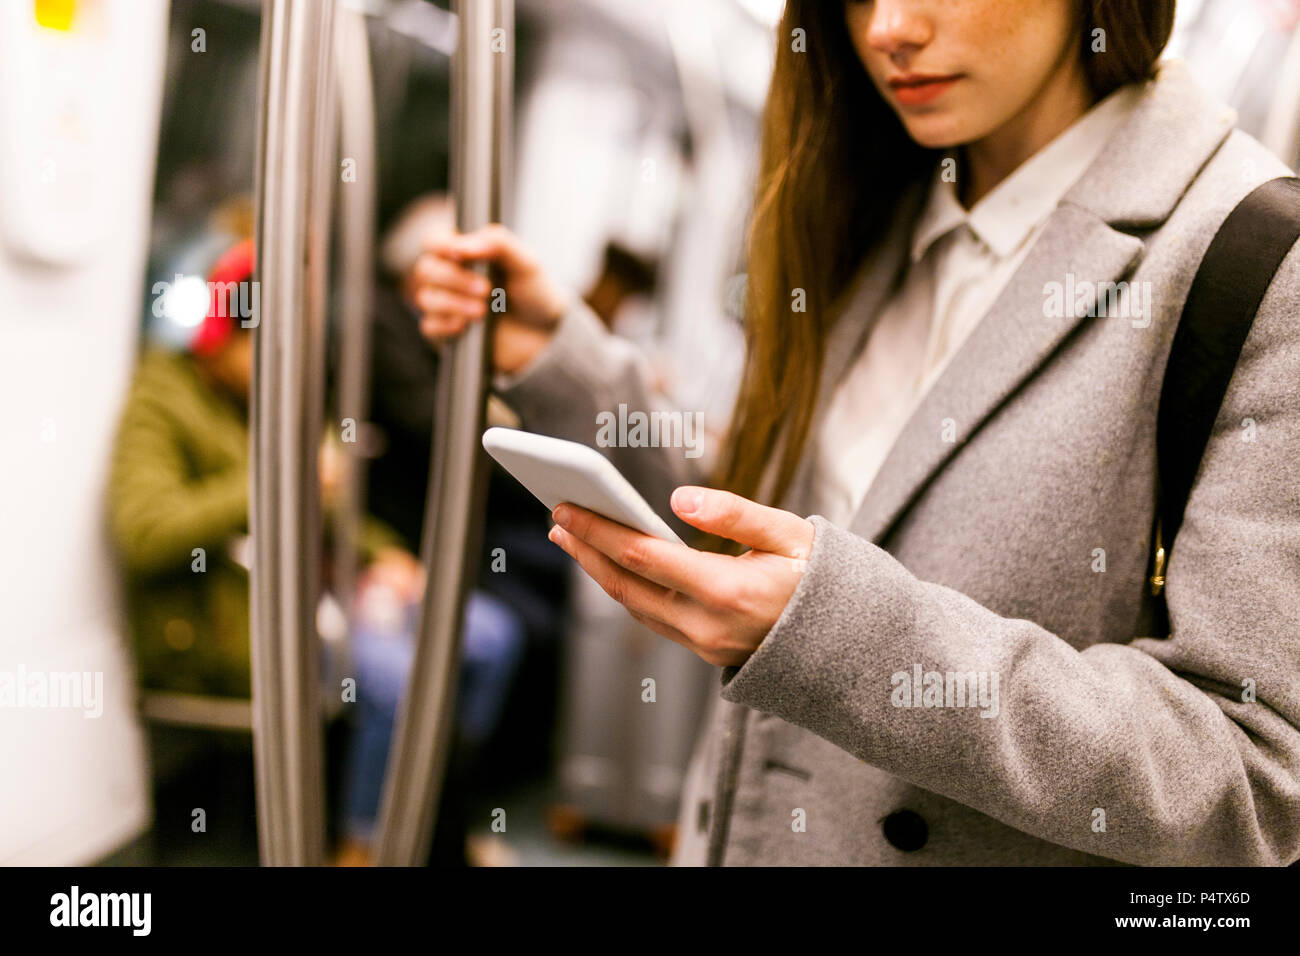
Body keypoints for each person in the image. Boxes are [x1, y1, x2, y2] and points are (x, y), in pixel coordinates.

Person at [410, 0, 1300, 866]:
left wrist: (835, 633)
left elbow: (1252, 782)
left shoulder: (1253, 259)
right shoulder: (874, 207)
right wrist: (567, 364)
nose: (888, 30)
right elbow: (771, 515)